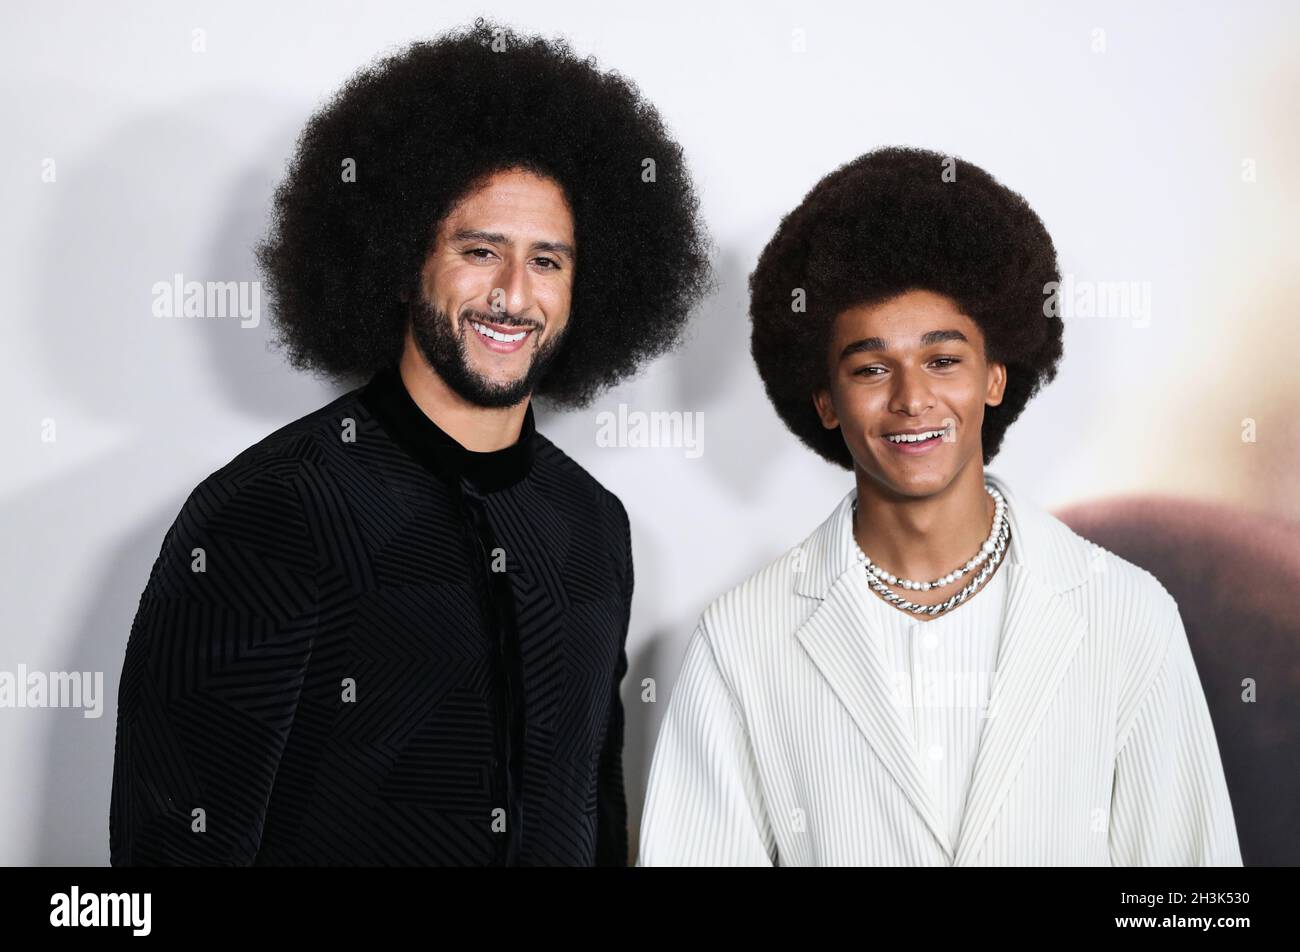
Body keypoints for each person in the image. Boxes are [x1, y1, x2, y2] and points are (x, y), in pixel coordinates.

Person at [109, 18, 712, 866]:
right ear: (402, 259)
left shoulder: (593, 528)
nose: (512, 294)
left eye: (548, 261)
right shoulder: (270, 513)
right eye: (479, 250)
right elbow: (173, 850)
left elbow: (592, 818)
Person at [637, 146, 1241, 866]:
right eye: (871, 368)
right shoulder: (740, 641)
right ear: (825, 400)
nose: (912, 397)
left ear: (994, 375)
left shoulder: (1127, 615)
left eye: (943, 359)